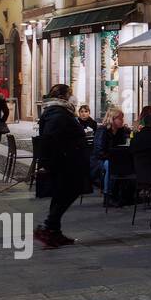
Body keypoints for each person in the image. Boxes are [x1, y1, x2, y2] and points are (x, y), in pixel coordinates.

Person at [34, 85, 93, 246]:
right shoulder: (58, 114)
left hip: (66, 161)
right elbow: (49, 138)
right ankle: (49, 226)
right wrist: (46, 162)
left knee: (61, 194)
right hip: (65, 163)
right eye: (70, 94)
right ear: (63, 97)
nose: (73, 97)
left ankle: (53, 231)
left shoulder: (57, 111)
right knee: (69, 191)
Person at [92, 107, 130, 193]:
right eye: (120, 118)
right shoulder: (102, 131)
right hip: (100, 160)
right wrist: (113, 157)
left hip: (114, 158)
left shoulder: (120, 131)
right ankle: (108, 194)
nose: (122, 120)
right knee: (110, 165)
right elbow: (99, 152)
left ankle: (124, 193)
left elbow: (122, 147)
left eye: (122, 118)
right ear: (112, 119)